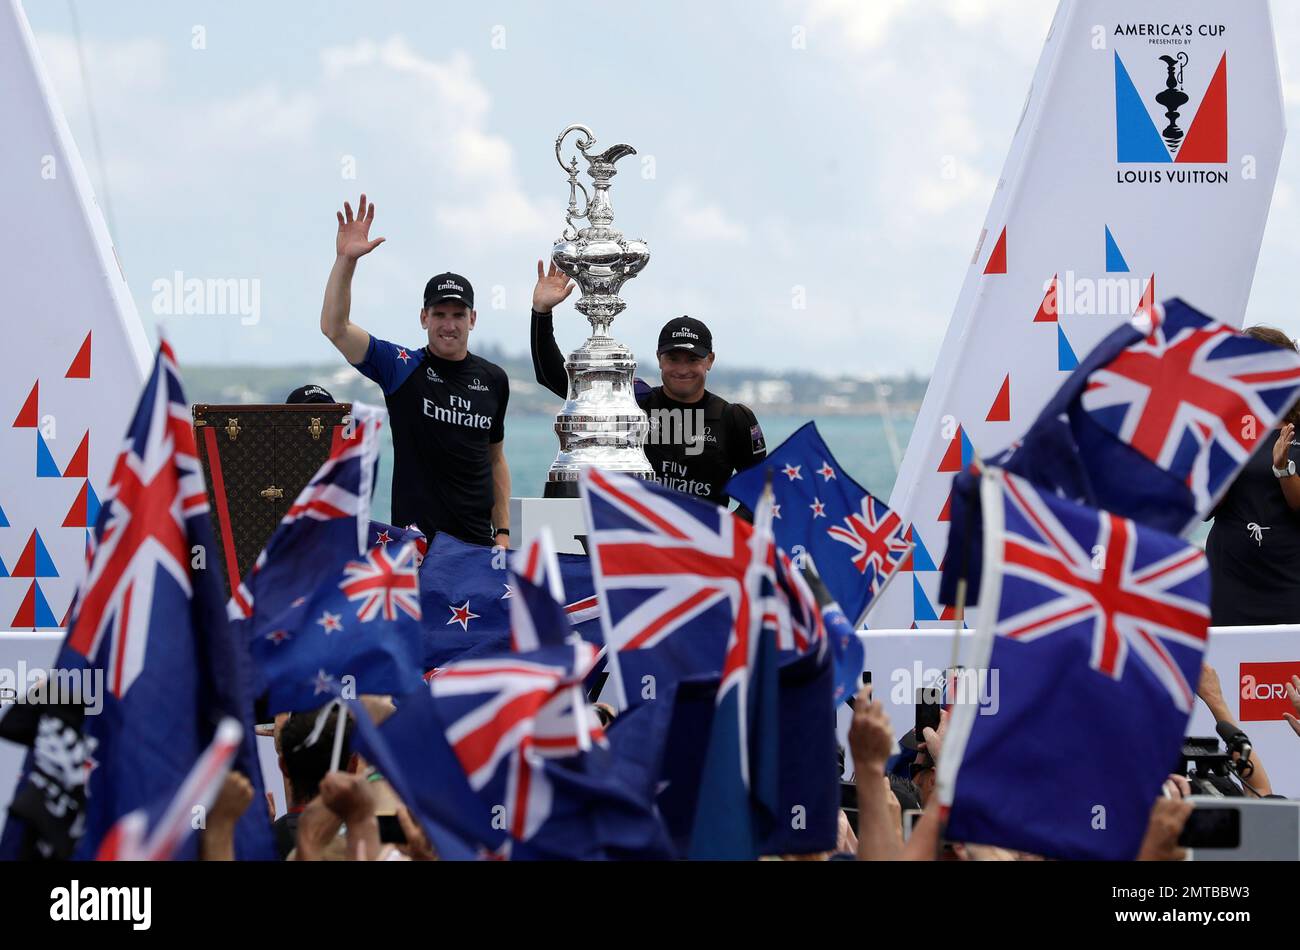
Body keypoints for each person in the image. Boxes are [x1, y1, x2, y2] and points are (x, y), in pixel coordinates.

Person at [321, 194, 511, 548]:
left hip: (477, 549)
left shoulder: (494, 379)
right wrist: (345, 260)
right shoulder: (401, 367)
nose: (449, 325)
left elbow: (495, 459)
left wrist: (502, 532)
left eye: (458, 315)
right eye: (439, 314)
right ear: (424, 318)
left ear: (473, 319)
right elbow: (336, 328)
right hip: (416, 547)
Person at [530, 260, 766, 510]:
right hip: (642, 542)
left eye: (693, 360)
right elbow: (553, 377)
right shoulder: (634, 402)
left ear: (710, 360)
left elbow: (762, 491)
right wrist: (541, 312)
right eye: (673, 359)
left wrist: (728, 532)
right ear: (659, 359)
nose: (683, 369)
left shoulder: (733, 419)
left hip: (702, 544)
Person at [1205, 326, 1300, 625]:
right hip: (1229, 578)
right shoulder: (1217, 425)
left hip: (1288, 580)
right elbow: (1205, 508)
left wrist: (1283, 467)